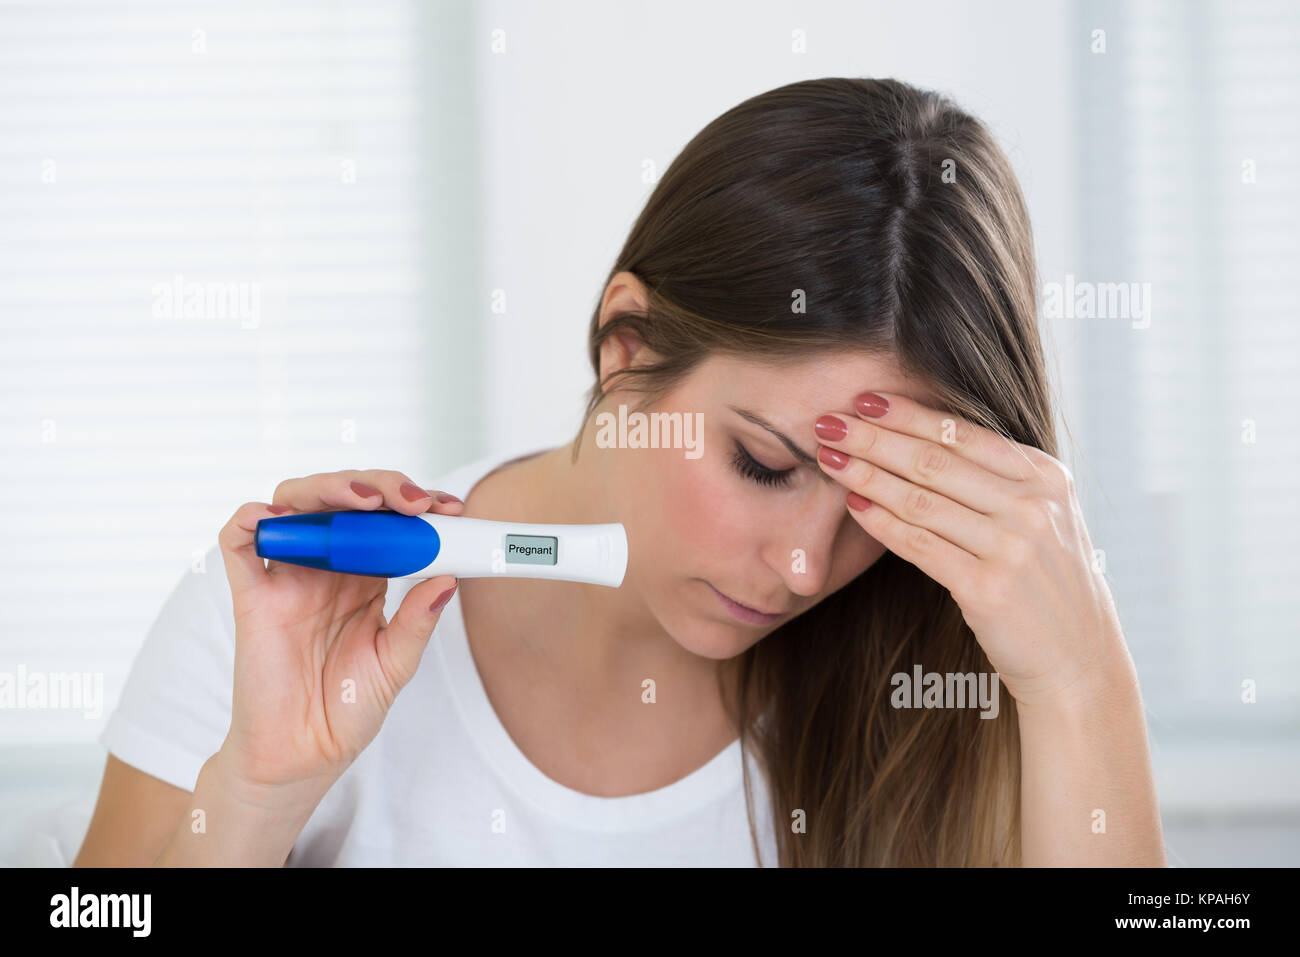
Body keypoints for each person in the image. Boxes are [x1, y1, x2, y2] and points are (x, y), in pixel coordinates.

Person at [74, 76, 1166, 867]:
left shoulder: (965, 674)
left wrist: (1083, 689)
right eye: (764, 462)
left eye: (885, 503)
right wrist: (257, 796)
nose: (802, 566)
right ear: (625, 347)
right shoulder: (275, 627)